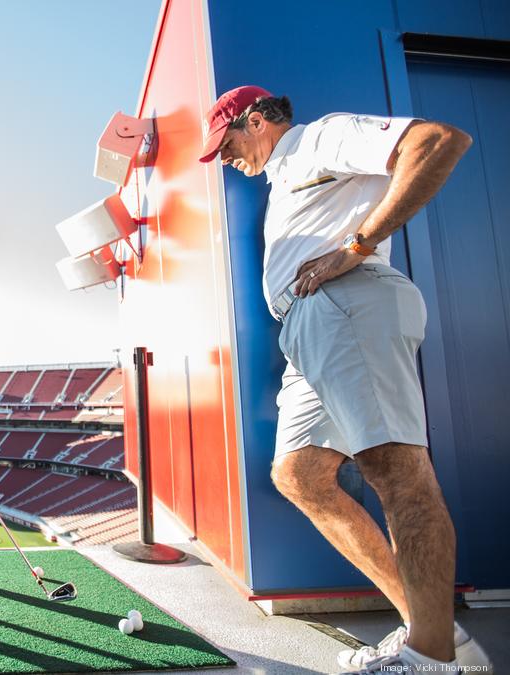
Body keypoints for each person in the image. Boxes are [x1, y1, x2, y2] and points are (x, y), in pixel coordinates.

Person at [199, 86, 490, 673]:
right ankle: (427, 624)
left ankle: (431, 660)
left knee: (395, 469)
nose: (225, 157)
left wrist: (356, 247)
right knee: (299, 473)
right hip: (312, 328)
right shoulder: (285, 173)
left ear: (255, 121)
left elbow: (439, 142)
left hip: (346, 307)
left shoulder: (315, 137)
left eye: (225, 142)